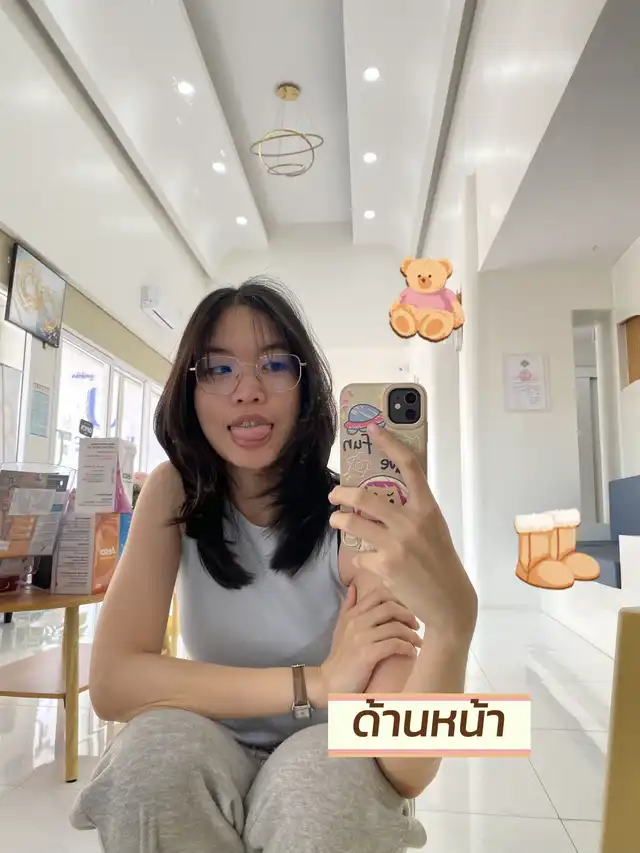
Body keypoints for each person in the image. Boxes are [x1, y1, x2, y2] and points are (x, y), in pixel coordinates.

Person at [70, 278, 478, 852]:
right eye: (219, 369)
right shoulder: (173, 494)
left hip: (323, 748)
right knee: (151, 759)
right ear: (191, 394)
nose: (248, 392)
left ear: (306, 391)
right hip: (209, 736)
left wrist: (453, 627)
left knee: (325, 784)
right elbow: (114, 683)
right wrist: (317, 682)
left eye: (275, 365)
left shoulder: (353, 521)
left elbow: (403, 765)